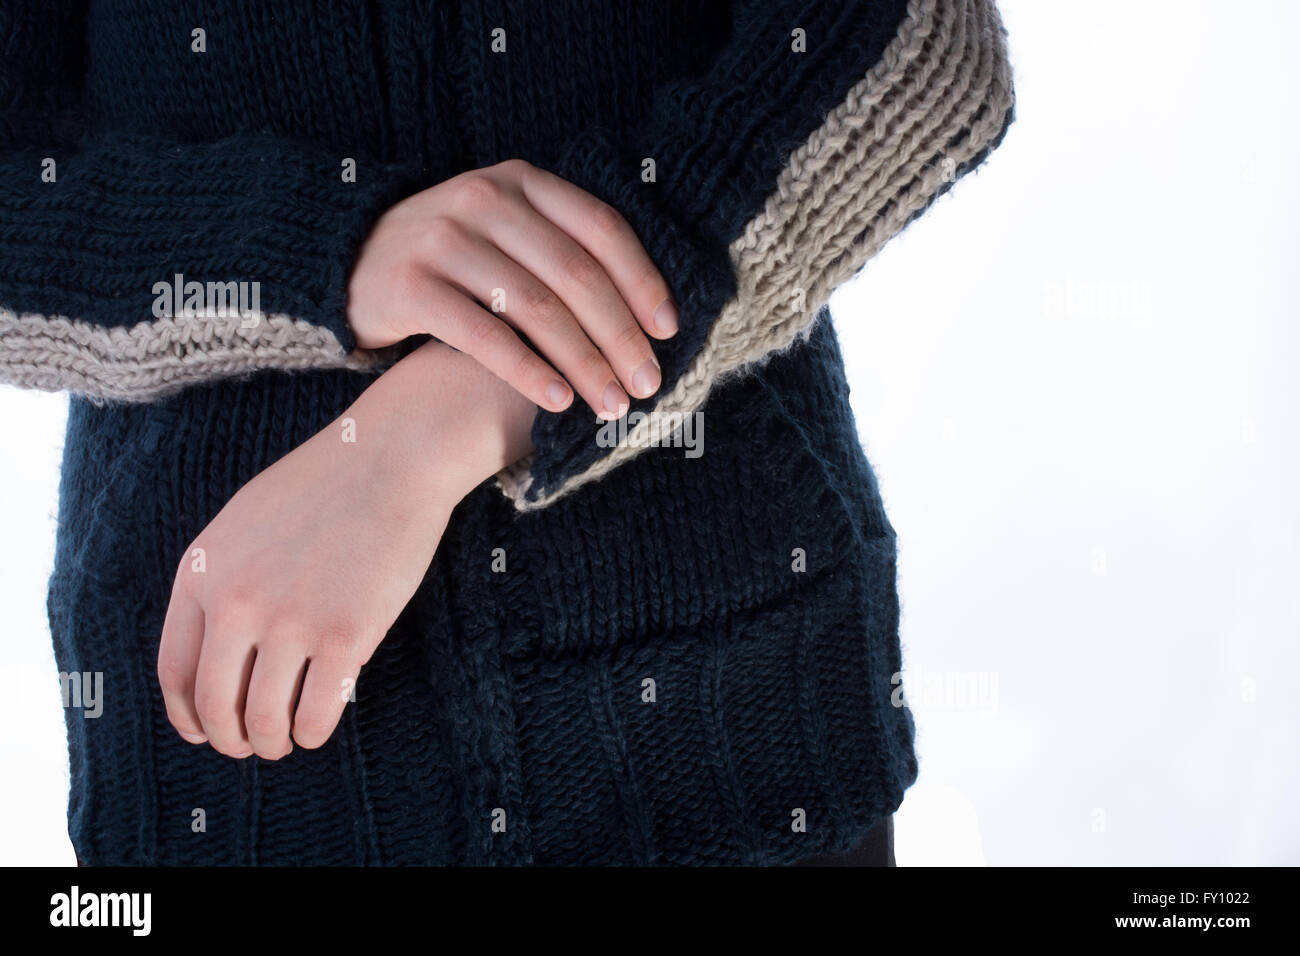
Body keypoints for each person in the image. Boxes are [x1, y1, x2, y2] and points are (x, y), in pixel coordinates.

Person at [0, 0, 1013, 865]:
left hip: (730, 725)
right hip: (233, 753)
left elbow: (914, 43)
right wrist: (321, 245)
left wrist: (441, 420)